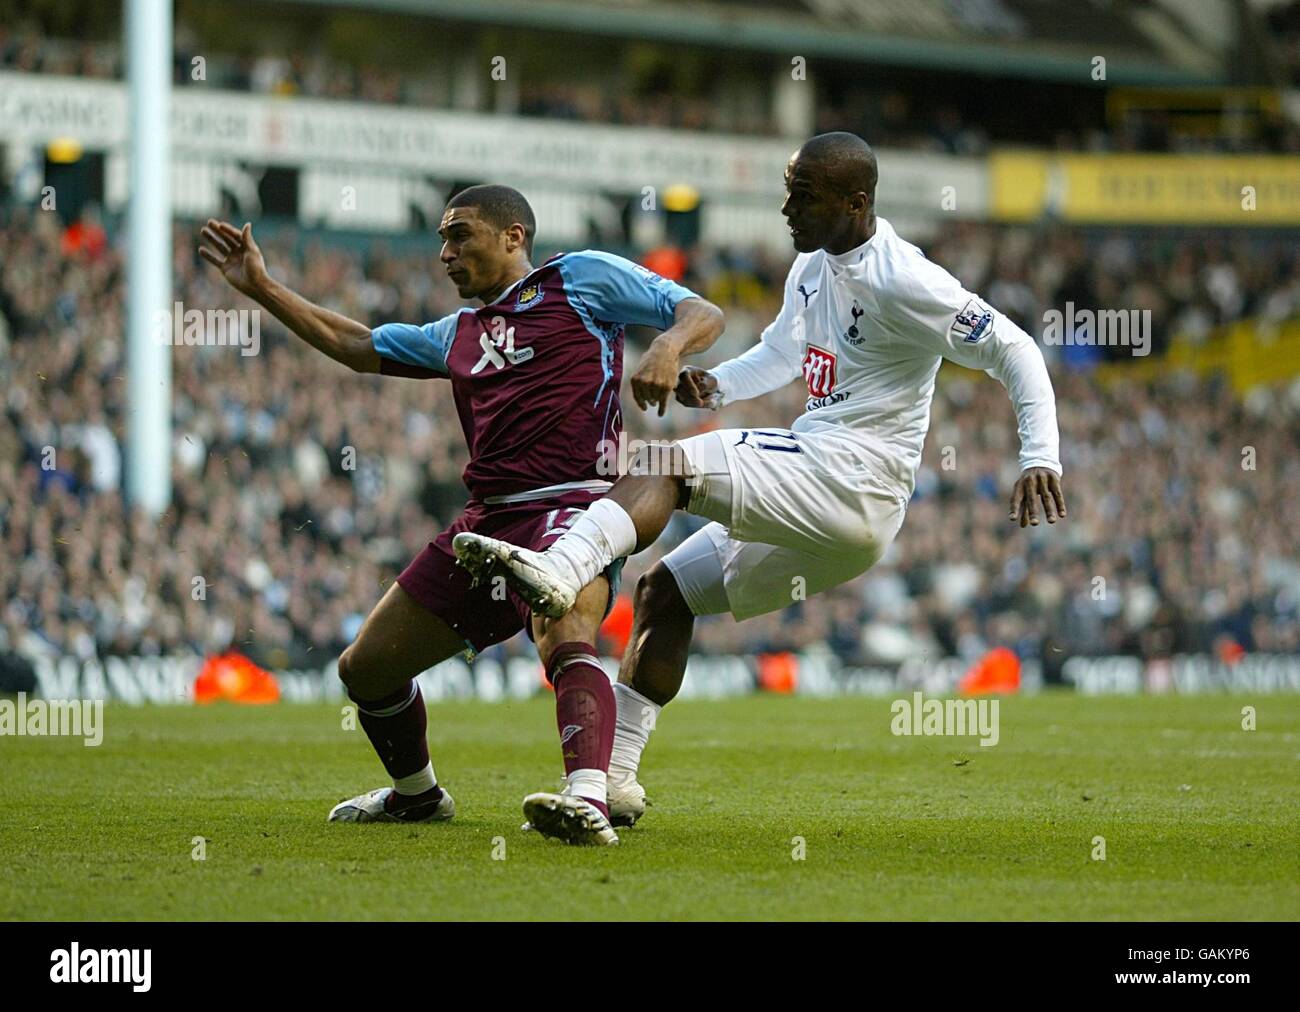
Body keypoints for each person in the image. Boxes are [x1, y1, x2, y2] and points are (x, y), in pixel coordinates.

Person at [452, 134, 1066, 822]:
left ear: (856, 203)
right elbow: (781, 353)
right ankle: (614, 786)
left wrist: (1040, 454)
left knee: (667, 463)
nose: (785, 208)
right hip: (841, 516)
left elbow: (1012, 345)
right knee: (665, 593)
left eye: (803, 196)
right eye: (787, 190)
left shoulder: (904, 277)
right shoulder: (810, 266)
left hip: (849, 475)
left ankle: (562, 567)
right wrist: (716, 386)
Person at [198, 184, 723, 845]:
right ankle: (417, 797)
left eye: (460, 235)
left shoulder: (579, 280)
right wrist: (263, 288)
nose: (444, 252)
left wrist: (671, 347)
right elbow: (358, 346)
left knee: (565, 629)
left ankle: (587, 796)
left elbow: (700, 310)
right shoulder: (455, 334)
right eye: (443, 238)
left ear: (513, 237)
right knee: (366, 669)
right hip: (485, 525)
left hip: (575, 508)